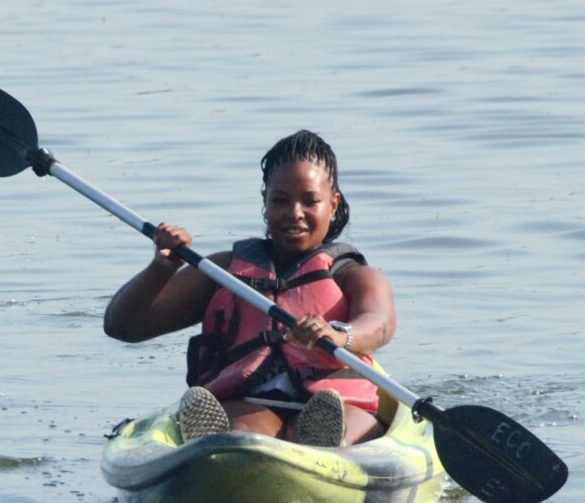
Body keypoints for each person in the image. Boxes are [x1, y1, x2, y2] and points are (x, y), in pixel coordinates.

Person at [103, 130, 396, 447]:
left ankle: (319, 446)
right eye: (280, 201)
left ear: (333, 204)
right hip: (252, 398)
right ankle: (219, 448)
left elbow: (379, 323)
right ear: (265, 203)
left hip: (336, 401)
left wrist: (340, 335)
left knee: (333, 430)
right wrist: (162, 268)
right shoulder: (225, 271)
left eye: (310, 201)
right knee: (244, 439)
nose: (294, 213)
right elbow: (122, 326)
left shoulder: (354, 275)